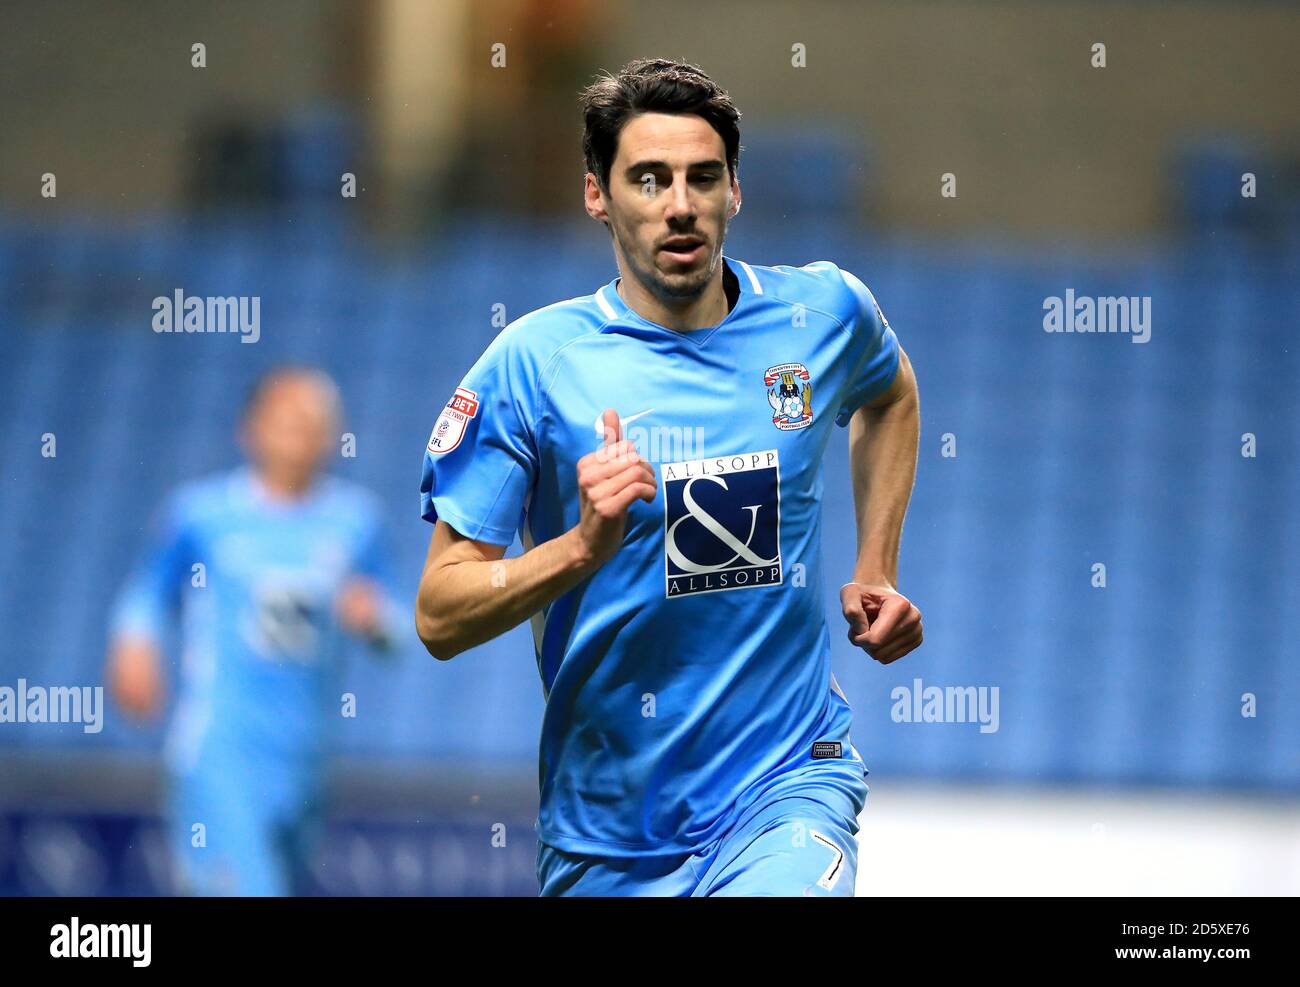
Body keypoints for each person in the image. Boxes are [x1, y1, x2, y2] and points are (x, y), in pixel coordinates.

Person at [415, 58, 922, 896]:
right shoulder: (534, 367)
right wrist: (580, 548)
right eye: (648, 180)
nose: (679, 204)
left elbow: (890, 391)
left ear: (735, 192)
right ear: (597, 196)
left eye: (702, 177)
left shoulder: (822, 316)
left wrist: (877, 567)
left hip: (786, 785)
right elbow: (439, 613)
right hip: (607, 837)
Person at [106, 367, 400, 895]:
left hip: (305, 758)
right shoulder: (203, 516)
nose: (303, 435)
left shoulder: (356, 522)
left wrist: (377, 621)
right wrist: (134, 643)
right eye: (289, 421)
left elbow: (405, 627)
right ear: (252, 429)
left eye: (316, 423)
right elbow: (146, 594)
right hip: (223, 750)